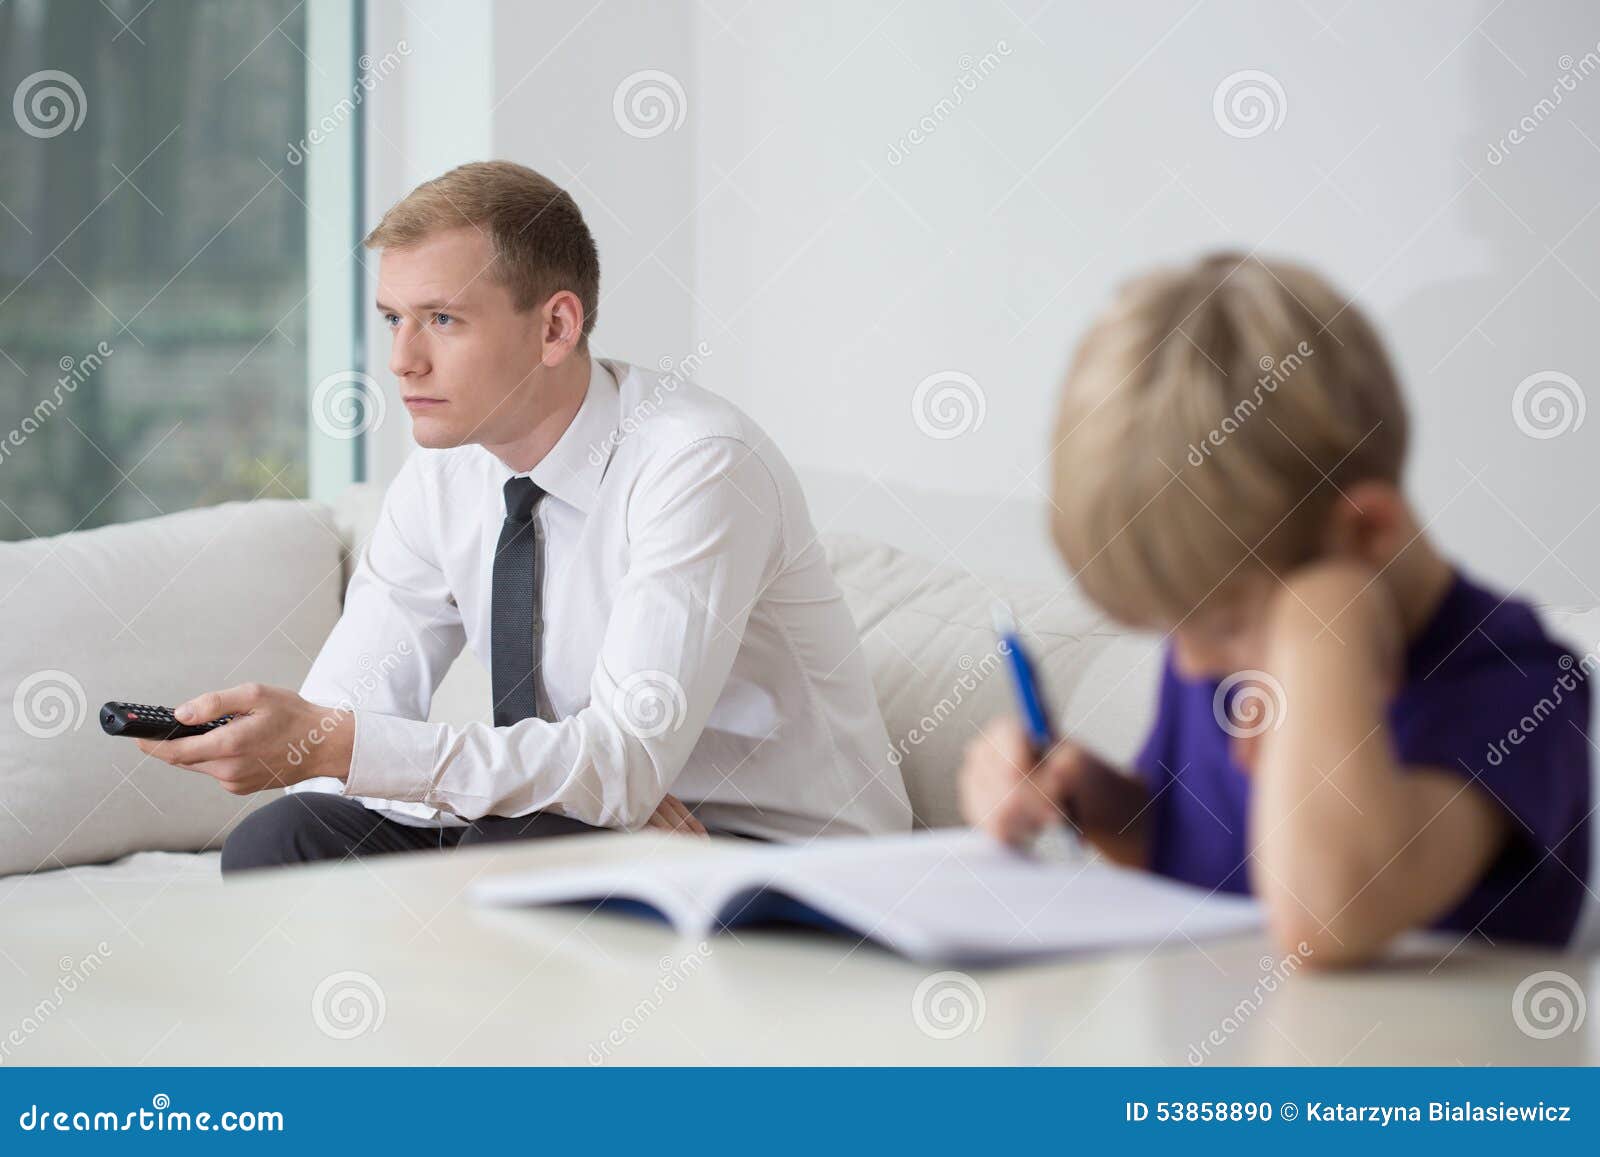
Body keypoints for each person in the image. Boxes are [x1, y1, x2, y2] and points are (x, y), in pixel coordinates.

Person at [133, 161, 912, 873]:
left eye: (442, 319)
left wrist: (357, 749)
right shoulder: (442, 472)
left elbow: (620, 764)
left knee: (517, 843)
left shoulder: (699, 465)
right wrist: (339, 748)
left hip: (777, 853)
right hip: (587, 822)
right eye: (392, 319)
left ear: (555, 328)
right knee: (284, 838)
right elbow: (350, 732)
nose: (403, 360)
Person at [960, 252, 1592, 965]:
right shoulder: (1217, 658)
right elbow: (1201, 856)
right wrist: (1095, 799)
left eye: (1221, 626)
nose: (1192, 661)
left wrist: (1325, 628)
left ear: (1365, 536)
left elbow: (1326, 913)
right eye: (1178, 628)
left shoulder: (1518, 688)